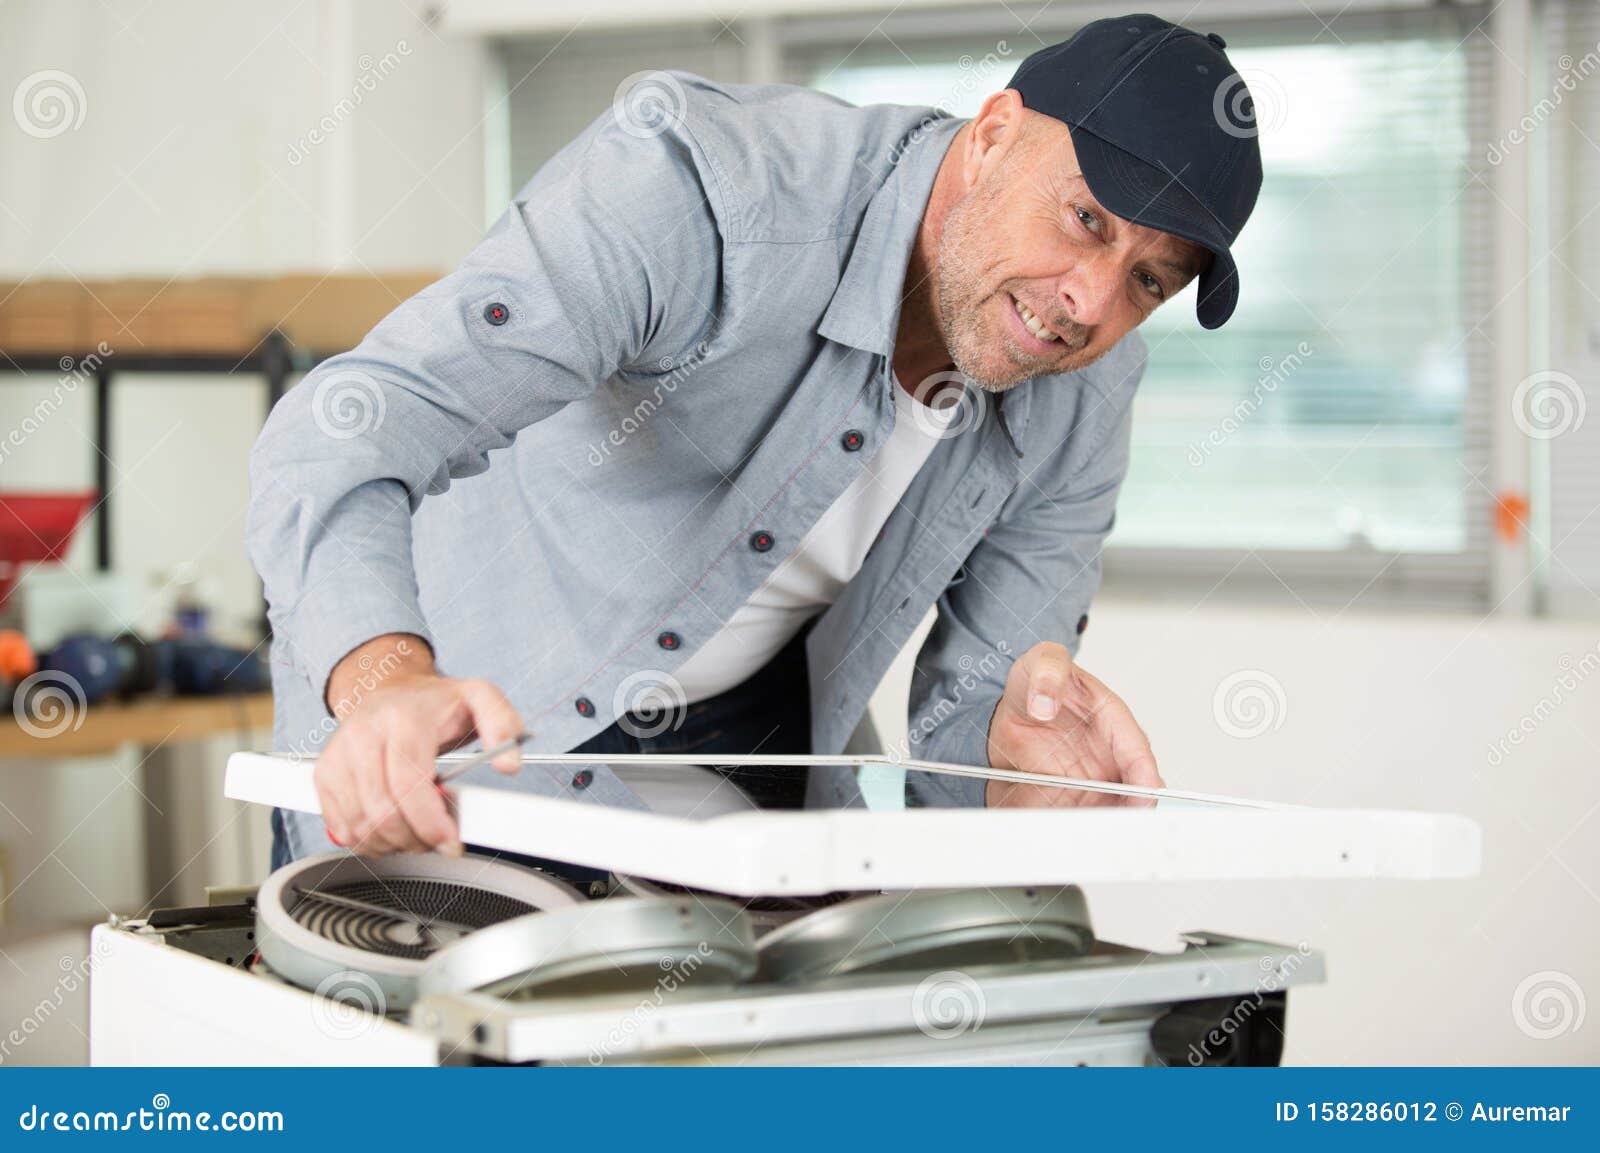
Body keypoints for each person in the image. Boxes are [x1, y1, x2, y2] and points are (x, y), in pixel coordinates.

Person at [247, 14, 1263, 865]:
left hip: (742, 760)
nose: (1089, 302)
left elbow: (978, 720)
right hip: (463, 726)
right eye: (1085, 218)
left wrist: (1016, 769)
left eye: (1149, 279)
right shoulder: (706, 193)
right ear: (993, 135)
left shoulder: (1086, 382)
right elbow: (351, 426)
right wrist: (385, 686)